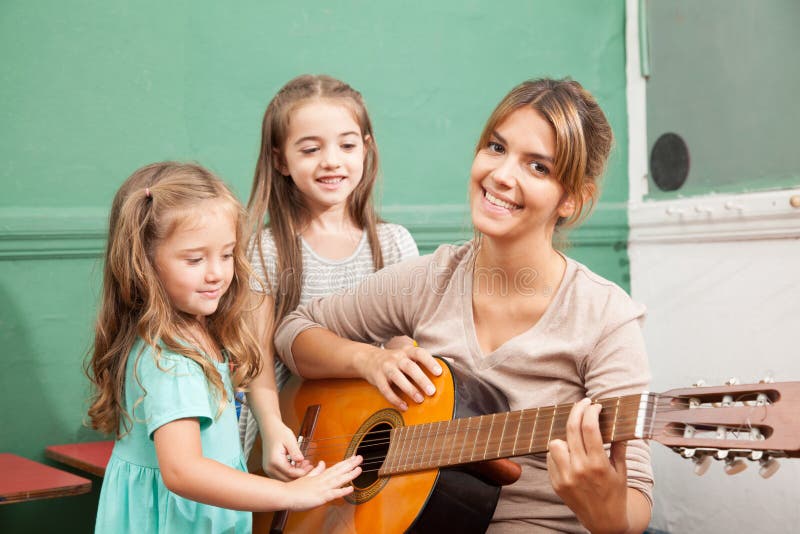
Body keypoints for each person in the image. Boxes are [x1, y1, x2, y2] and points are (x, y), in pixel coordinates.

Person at [273, 79, 653, 533]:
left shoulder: (605, 317)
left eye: (537, 167)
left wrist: (606, 510)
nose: (502, 175)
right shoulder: (431, 279)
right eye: (497, 147)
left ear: (573, 198)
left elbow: (635, 503)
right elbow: (294, 331)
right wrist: (368, 360)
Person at [86, 162, 362, 533]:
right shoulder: (170, 359)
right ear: (143, 264)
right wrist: (292, 495)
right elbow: (183, 471)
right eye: (195, 259)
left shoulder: (200, 326)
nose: (216, 273)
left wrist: (271, 427)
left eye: (227, 254)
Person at [239, 74, 418, 478]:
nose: (332, 161)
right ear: (280, 160)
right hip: (292, 432)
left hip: (367, 435)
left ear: (366, 148)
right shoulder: (266, 250)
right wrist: (272, 429)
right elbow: (256, 360)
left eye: (347, 145)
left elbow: (402, 347)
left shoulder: (393, 244)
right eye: (311, 149)